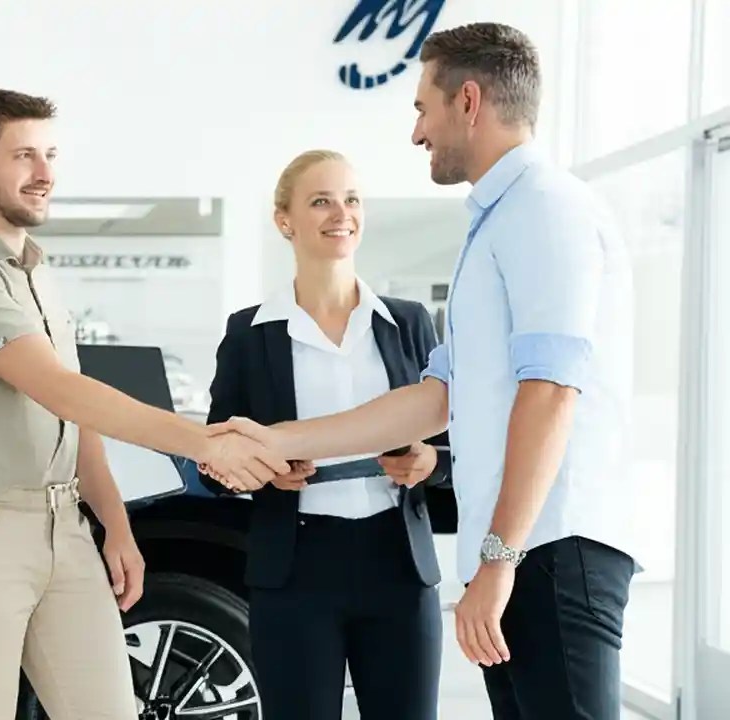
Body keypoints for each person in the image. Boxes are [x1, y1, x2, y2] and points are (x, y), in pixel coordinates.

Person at [210, 22, 638, 720]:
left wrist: (499, 560)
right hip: (518, 555)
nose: (416, 133)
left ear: (467, 101)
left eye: (421, 108)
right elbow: (431, 402)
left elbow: (553, 391)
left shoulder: (545, 210)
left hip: (552, 553)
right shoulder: (494, 226)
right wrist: (269, 442)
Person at [0, 88, 289, 720]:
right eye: (24, 154)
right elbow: (53, 385)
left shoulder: (38, 272)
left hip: (65, 528)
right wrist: (203, 441)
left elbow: (74, 414)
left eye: (50, 154)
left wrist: (117, 525)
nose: (46, 173)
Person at [201, 149, 450, 720]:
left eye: (352, 199)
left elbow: (458, 441)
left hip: (398, 564)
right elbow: (215, 464)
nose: (342, 213)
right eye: (321, 201)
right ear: (284, 219)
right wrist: (263, 471)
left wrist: (429, 463)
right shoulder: (249, 334)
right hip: (295, 570)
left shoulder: (408, 322)